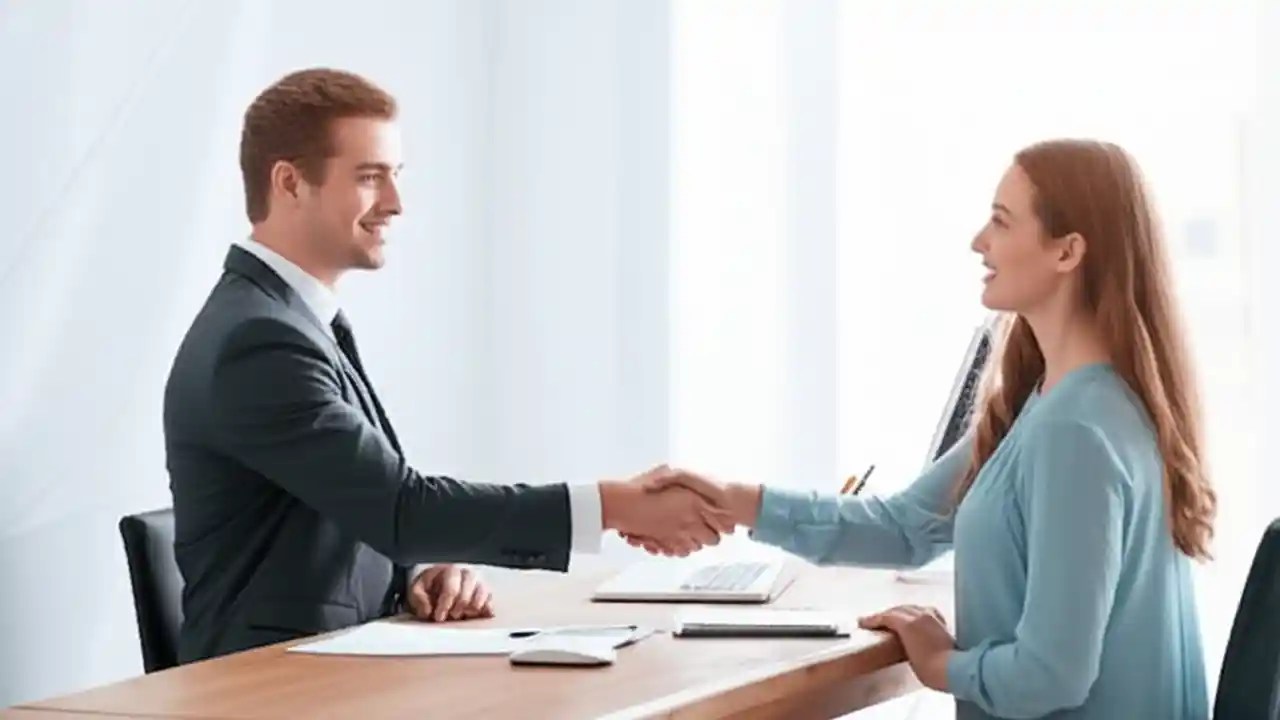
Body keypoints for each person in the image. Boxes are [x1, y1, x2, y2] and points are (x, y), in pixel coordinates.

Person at [163, 67, 731, 664]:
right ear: (290, 182)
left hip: (333, 667)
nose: (396, 203)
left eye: (396, 176)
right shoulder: (258, 339)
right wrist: (613, 505)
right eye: (369, 177)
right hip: (265, 689)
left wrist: (411, 575)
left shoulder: (288, 319)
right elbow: (399, 509)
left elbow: (352, 503)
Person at [642, 140, 1216, 719]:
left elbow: (1052, 676)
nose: (979, 242)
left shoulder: (1075, 433)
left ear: (1067, 252)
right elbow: (905, 526)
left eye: (1001, 221)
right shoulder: (1055, 406)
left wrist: (942, 664)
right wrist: (735, 502)